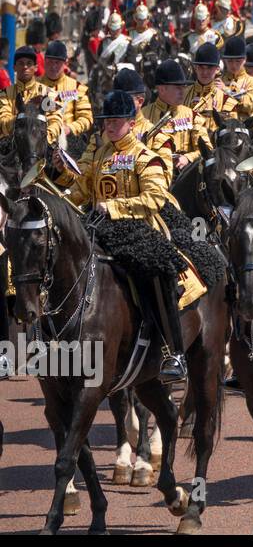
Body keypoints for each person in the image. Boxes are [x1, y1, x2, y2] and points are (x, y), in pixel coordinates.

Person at [52, 90, 188, 382]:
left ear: (130, 121)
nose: (109, 126)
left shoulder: (145, 157)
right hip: (99, 226)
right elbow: (82, 192)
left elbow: (155, 199)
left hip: (139, 227)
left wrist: (114, 207)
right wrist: (62, 187)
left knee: (155, 269)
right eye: (105, 121)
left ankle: (174, 352)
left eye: (115, 120)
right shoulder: (101, 153)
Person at [140, 60, 208, 175]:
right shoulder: (142, 116)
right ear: (162, 89)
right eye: (177, 87)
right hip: (152, 176)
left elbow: (207, 149)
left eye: (183, 86)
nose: (182, 91)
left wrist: (188, 158)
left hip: (185, 178)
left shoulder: (193, 116)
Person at [0, 46, 58, 142]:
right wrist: (25, 117)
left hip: (42, 146)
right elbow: (3, 123)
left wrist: (42, 140)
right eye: (21, 63)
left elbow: (55, 121)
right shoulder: (4, 94)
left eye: (29, 63)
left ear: (35, 68)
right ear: (14, 67)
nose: (25, 67)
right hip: (11, 146)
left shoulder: (48, 93)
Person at [40, 40, 93, 139]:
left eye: (57, 62)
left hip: (68, 140)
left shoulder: (77, 88)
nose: (53, 66)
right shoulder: (33, 87)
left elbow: (86, 118)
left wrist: (69, 128)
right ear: (44, 60)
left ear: (66, 63)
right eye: (50, 62)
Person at [184, 43, 239, 133]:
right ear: (195, 68)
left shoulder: (227, 100)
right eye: (201, 67)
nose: (205, 72)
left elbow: (231, 136)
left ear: (217, 69)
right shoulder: (182, 95)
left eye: (209, 68)